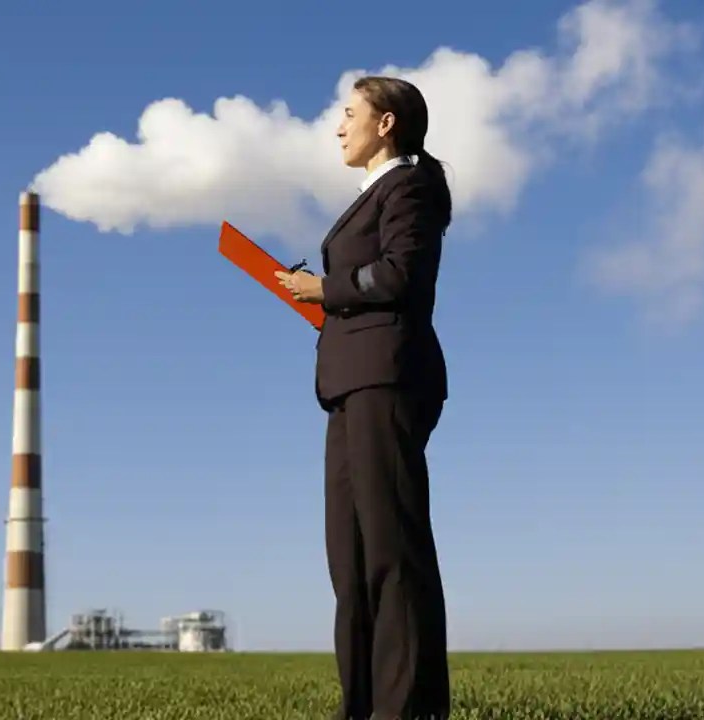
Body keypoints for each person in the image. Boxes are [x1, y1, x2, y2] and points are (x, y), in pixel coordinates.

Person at [275, 75, 452, 720]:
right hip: (348, 383)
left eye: (350, 114)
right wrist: (315, 296)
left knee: (390, 552)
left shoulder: (411, 184)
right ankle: (363, 707)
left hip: (386, 378)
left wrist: (325, 288)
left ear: (387, 124)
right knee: (349, 567)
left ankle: (406, 709)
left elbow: (402, 273)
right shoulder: (371, 193)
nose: (339, 125)